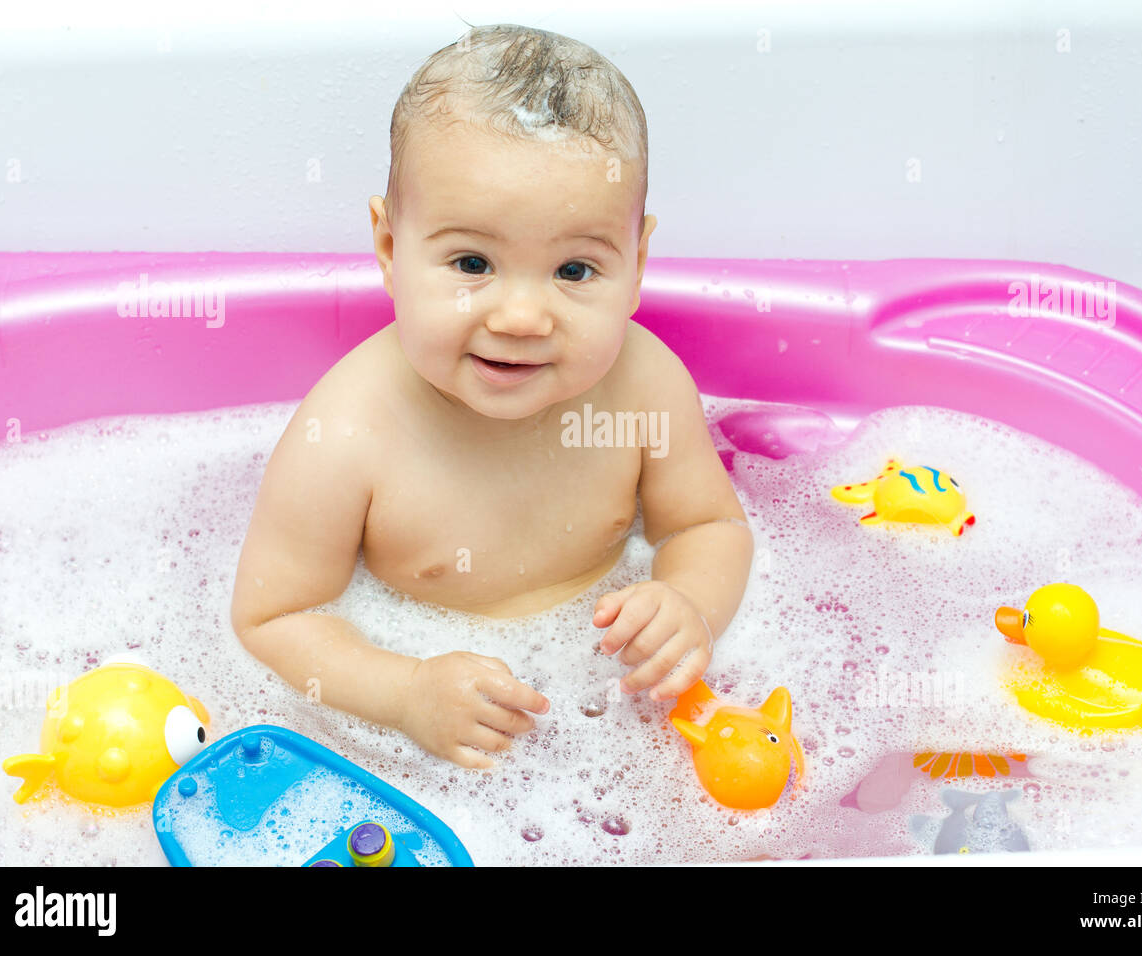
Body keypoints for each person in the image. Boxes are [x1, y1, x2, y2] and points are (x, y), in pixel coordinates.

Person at [231, 24, 752, 769]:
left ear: (637, 263)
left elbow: (709, 527)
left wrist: (690, 608)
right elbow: (274, 617)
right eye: (472, 261)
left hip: (621, 719)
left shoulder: (647, 386)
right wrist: (405, 692)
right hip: (421, 748)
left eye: (575, 271)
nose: (521, 318)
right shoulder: (346, 433)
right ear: (388, 248)